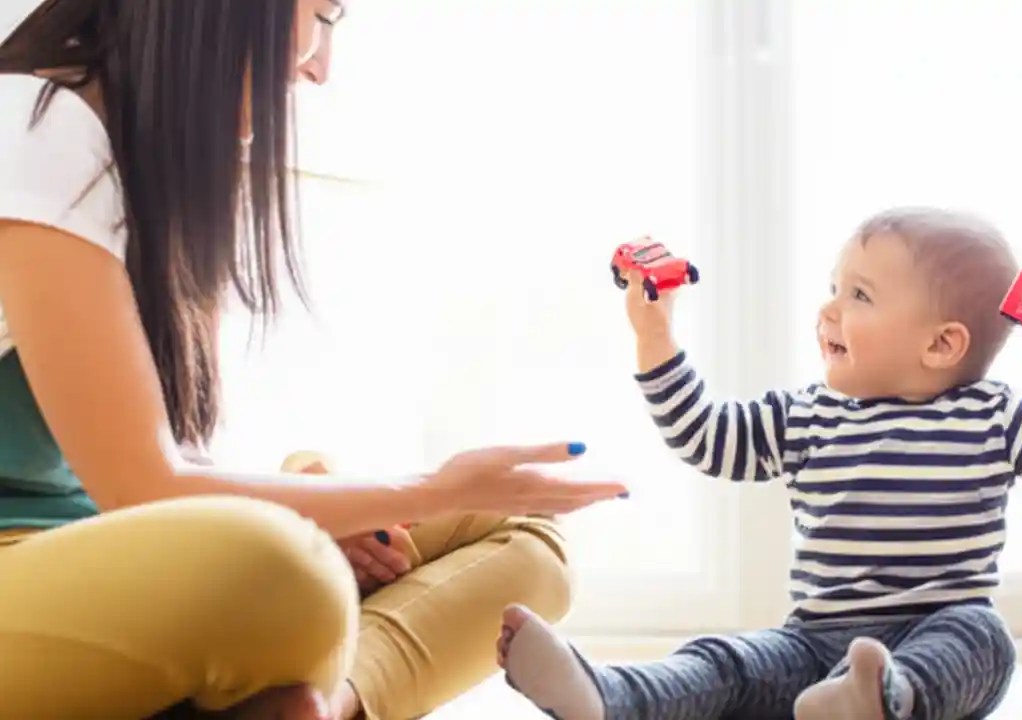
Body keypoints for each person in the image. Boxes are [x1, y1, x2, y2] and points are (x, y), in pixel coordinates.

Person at [0, 1, 628, 718]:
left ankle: (322, 706)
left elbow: (166, 467)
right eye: (323, 15)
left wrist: (342, 506)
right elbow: (143, 489)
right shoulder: (36, 126)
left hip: (107, 559)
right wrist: (423, 491)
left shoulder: (133, 153)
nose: (321, 66)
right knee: (292, 572)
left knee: (521, 539)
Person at [498, 207, 1022, 720]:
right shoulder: (806, 414)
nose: (829, 310)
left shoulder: (995, 417)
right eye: (833, 289)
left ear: (942, 343)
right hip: (811, 645)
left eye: (859, 296)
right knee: (728, 660)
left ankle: (887, 698)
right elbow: (705, 436)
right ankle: (611, 697)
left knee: (985, 639)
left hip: (936, 630)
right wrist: (655, 340)